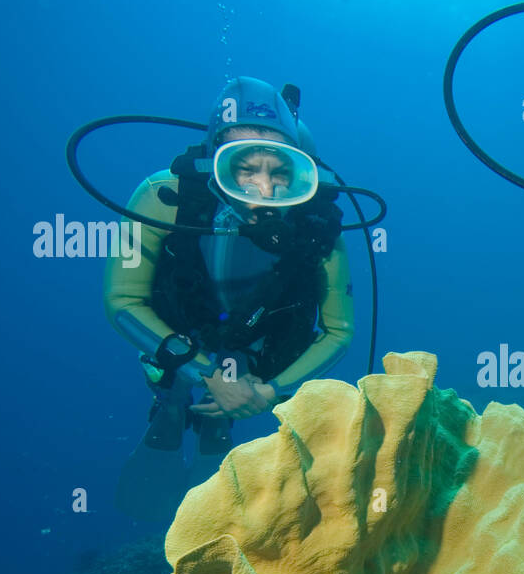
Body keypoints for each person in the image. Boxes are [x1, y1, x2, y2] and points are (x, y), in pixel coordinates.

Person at [104, 76, 353, 519]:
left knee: (223, 410)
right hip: (181, 339)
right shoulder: (162, 196)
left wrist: (270, 390)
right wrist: (209, 374)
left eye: (280, 170)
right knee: (173, 384)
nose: (264, 189)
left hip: (262, 356)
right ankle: (171, 408)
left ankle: (216, 433)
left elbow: (339, 331)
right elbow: (123, 300)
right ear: (215, 159)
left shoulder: (318, 225)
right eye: (243, 167)